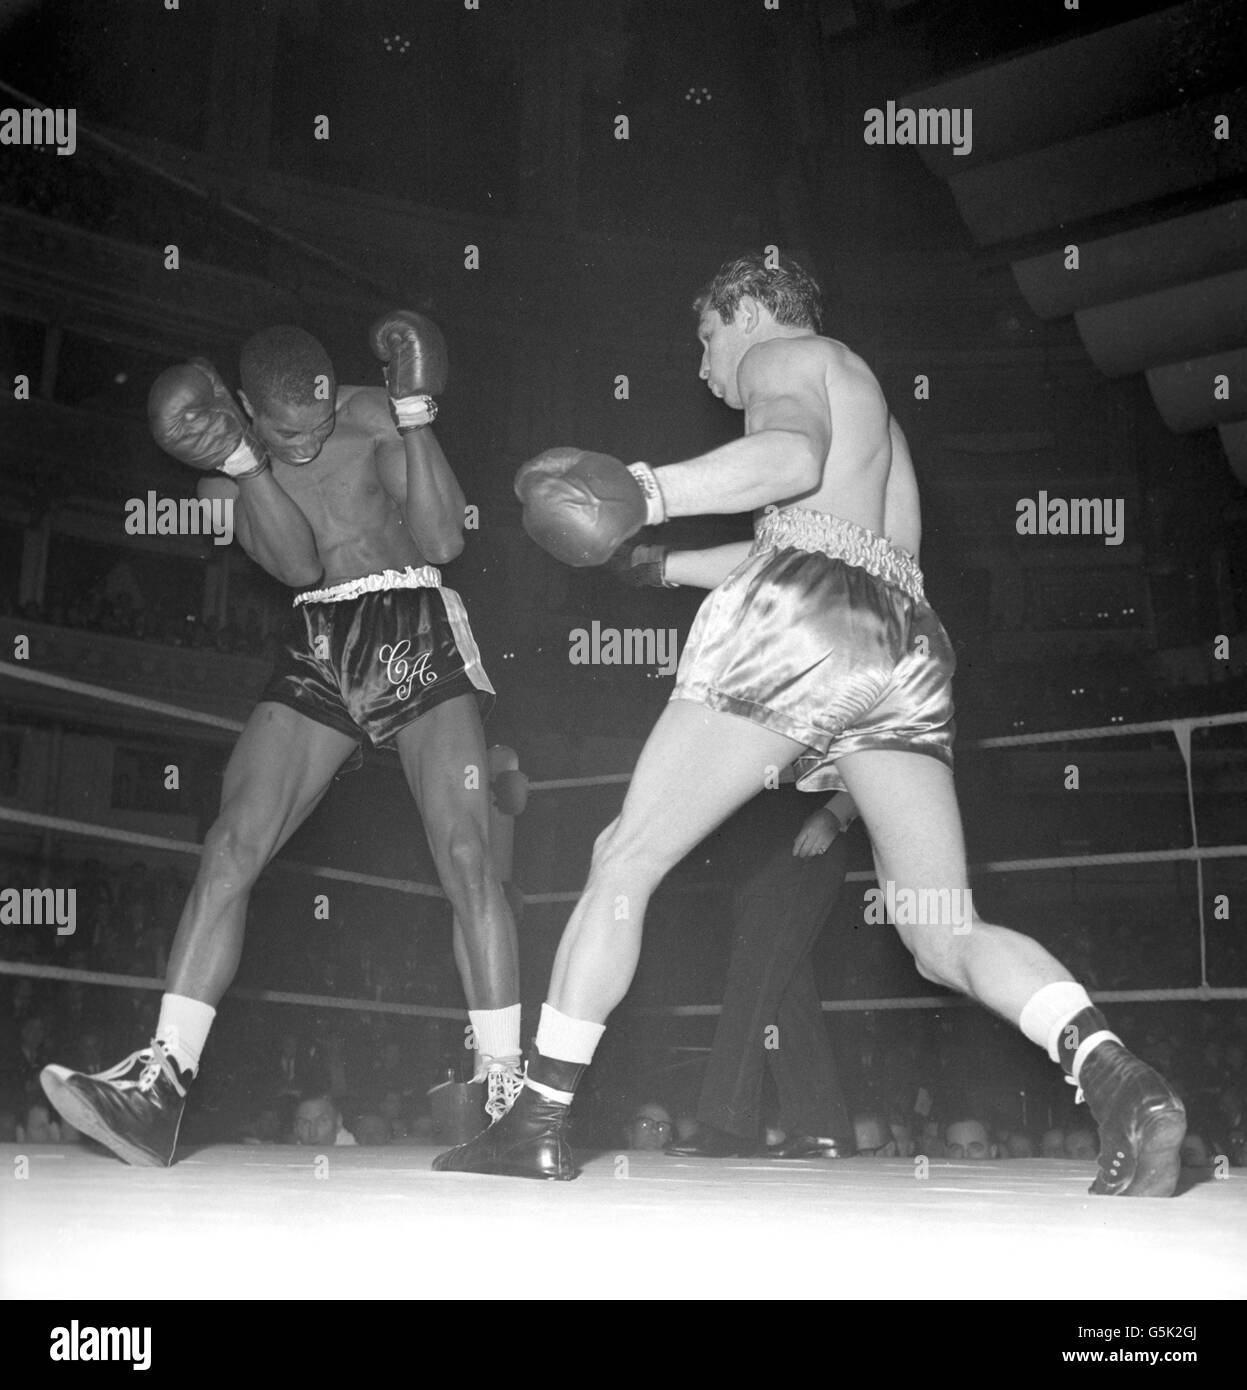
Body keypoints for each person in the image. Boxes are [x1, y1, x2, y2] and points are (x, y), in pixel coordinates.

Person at [434, 250, 1186, 1195]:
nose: (706, 369)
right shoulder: (870, 403)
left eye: (706, 338)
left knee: (624, 859)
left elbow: (787, 462)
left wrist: (645, 490)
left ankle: (535, 1119)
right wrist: (655, 565)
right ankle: (1117, 1075)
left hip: (801, 622)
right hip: (903, 642)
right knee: (940, 931)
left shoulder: (781, 357)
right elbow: (815, 536)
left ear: (747, 309)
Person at [40, 316, 522, 1166]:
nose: (305, 444)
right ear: (249, 409)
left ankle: (505, 1087)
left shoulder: (375, 414)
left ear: (336, 394)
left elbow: (445, 540)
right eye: (284, 432)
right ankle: (160, 1084)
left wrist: (416, 413)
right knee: (231, 840)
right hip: (318, 643)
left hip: (410, 617)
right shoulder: (221, 481)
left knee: (464, 850)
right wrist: (243, 464)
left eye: (318, 425)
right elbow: (298, 568)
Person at [663, 785, 856, 1159]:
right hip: (758, 853)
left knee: (753, 981)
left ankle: (725, 1124)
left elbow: (869, 745)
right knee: (784, 991)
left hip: (800, 841)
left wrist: (835, 812)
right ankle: (821, 1127)